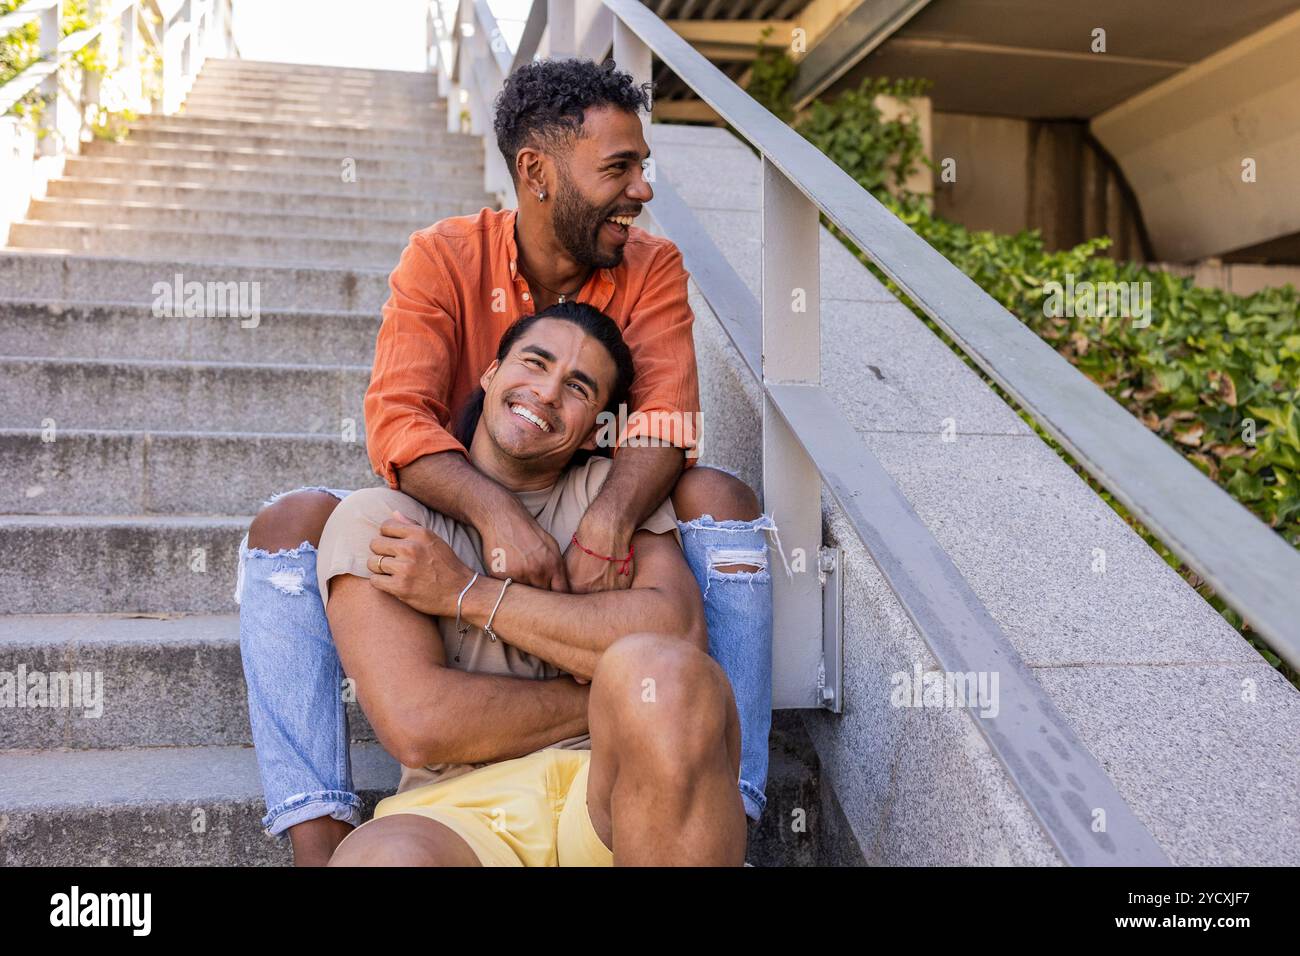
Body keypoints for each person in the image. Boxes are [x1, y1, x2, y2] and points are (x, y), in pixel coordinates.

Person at [235, 57, 774, 867]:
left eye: (644, 166)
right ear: (537, 172)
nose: (643, 190)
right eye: (619, 168)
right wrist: (493, 519)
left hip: (581, 517)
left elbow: (665, 419)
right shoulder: (444, 258)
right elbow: (398, 422)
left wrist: (605, 520)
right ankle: (317, 836)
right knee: (292, 526)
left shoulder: (650, 268)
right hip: (453, 502)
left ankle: (719, 795)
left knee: (716, 497)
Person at [323, 303, 746, 865]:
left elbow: (676, 638)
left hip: (614, 797)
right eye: (534, 363)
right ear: (490, 374)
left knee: (665, 674)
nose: (546, 393)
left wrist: (466, 594)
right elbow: (420, 724)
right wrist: (607, 691)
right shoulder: (384, 521)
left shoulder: (611, 501)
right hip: (454, 811)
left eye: (578, 387)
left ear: (598, 424)